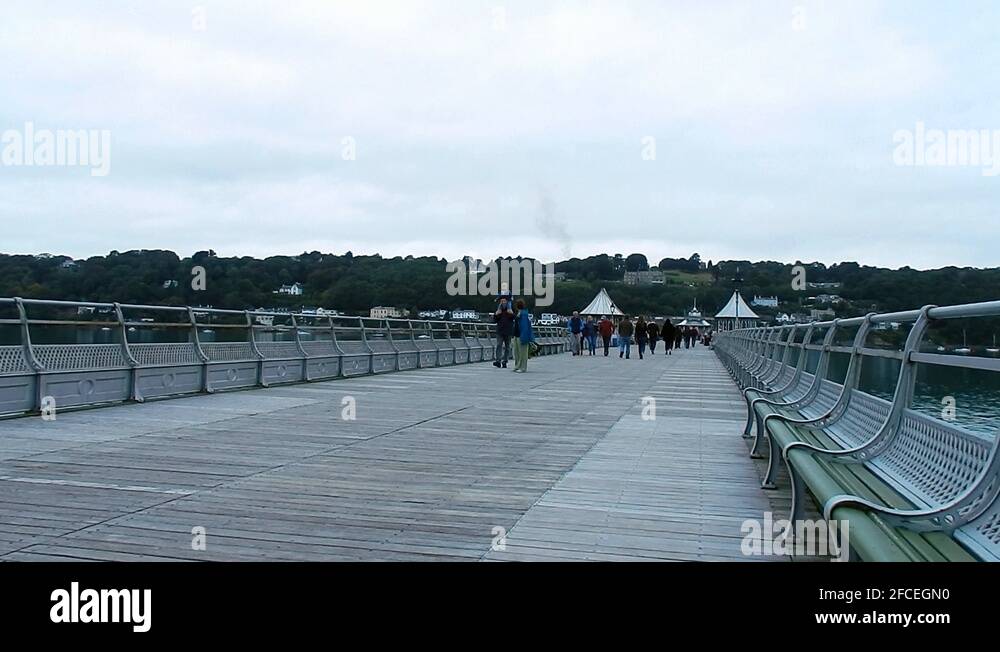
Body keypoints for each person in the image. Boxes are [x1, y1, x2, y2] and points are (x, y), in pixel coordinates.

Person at [492, 296, 514, 368]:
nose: (503, 303)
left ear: (507, 302)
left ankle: (505, 361)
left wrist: (511, 313)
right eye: (502, 301)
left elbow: (515, 318)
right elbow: (494, 321)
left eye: (504, 301)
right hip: (500, 331)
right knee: (499, 345)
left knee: (507, 347)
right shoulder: (499, 310)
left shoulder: (510, 310)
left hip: (508, 331)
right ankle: (498, 361)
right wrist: (496, 314)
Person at [512, 299, 534, 372]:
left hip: (521, 335)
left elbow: (524, 326)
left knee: (523, 353)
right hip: (516, 335)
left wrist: (523, 337)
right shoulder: (519, 313)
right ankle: (517, 366)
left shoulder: (523, 314)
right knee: (517, 352)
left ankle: (523, 367)